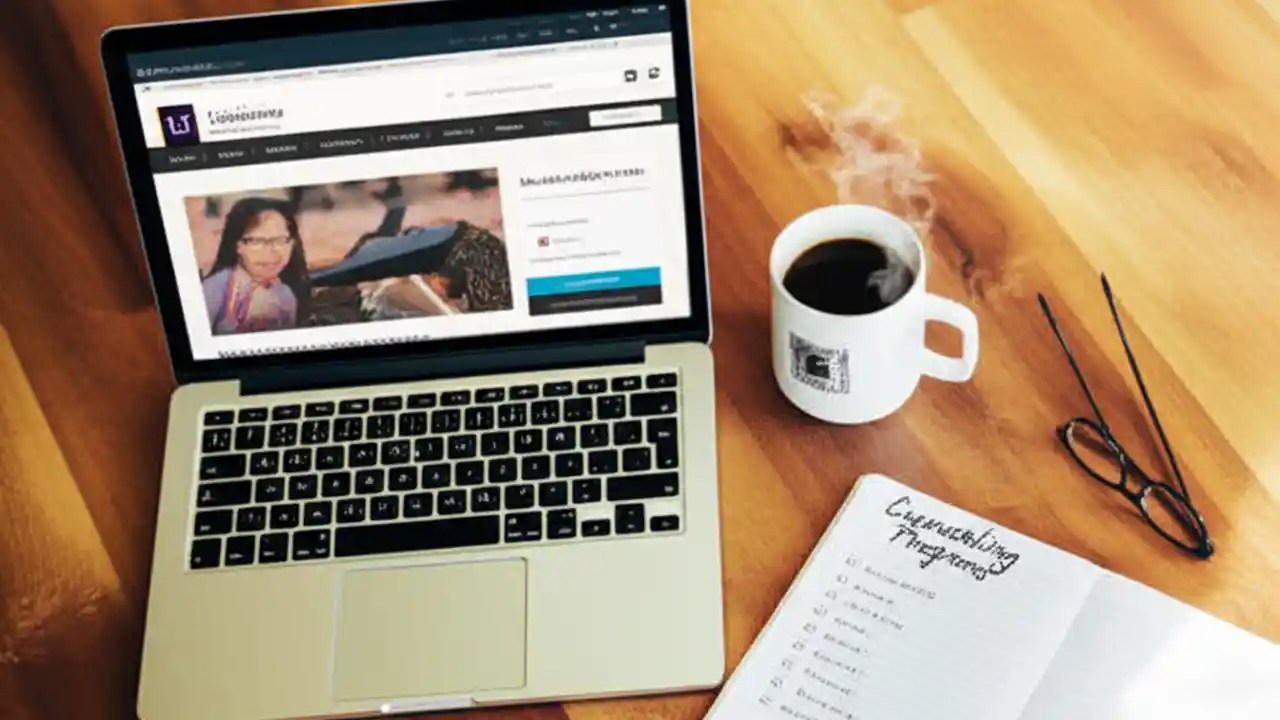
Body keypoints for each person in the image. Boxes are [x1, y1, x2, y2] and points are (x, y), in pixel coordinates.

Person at [202, 197, 311, 334]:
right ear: (238, 245)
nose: (271, 251)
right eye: (257, 241)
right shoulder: (213, 290)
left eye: (281, 240)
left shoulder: (285, 295)